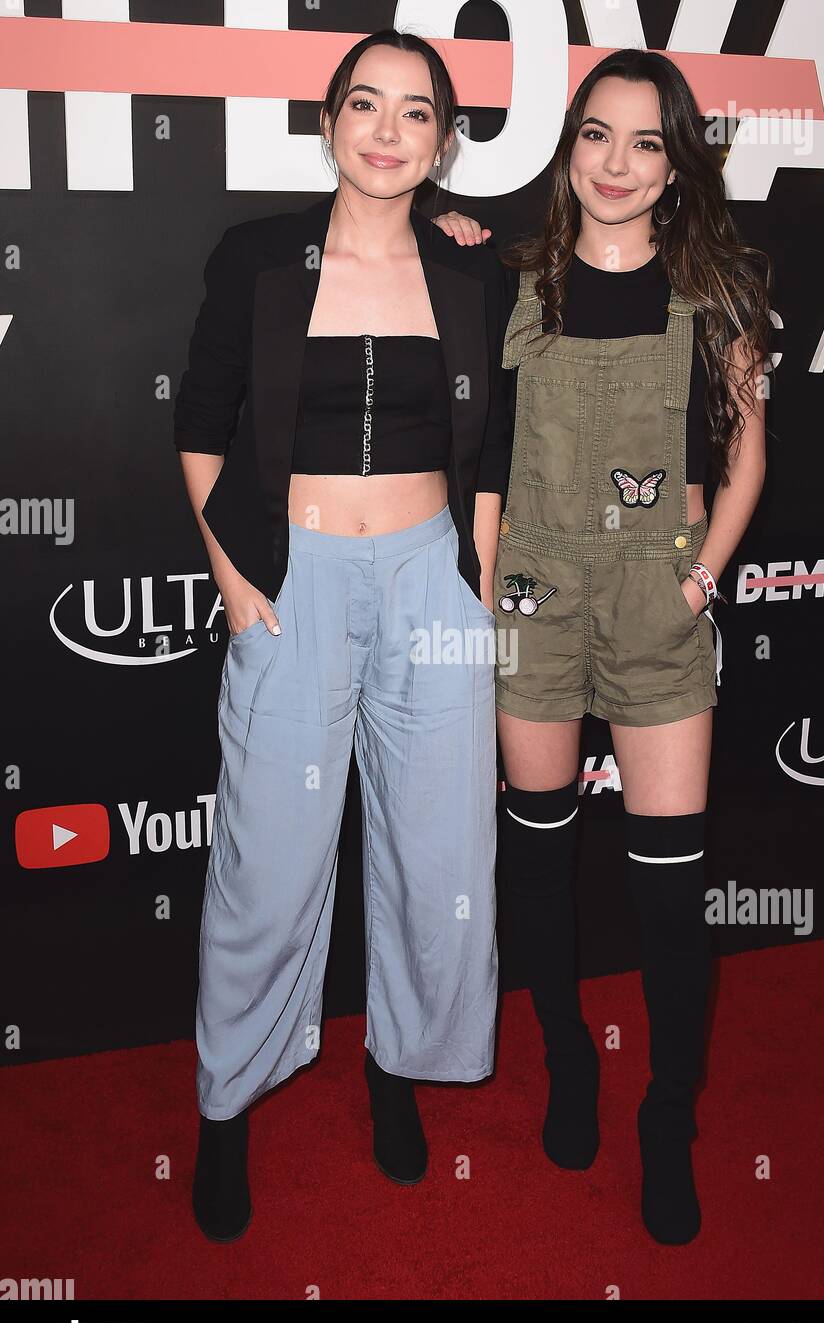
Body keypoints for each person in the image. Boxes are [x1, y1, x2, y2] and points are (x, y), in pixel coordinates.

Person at [173, 29, 514, 1242]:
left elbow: (499, 442)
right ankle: (225, 1105)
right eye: (363, 105)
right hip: (290, 578)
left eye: (414, 113)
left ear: (442, 140)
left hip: (434, 584)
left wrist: (477, 582)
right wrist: (234, 578)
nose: (385, 130)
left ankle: (396, 1063)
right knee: (266, 862)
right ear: (328, 123)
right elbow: (202, 420)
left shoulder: (476, 268)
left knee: (440, 854)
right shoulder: (259, 256)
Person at [433, 47, 771, 1244]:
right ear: (566, 148)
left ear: (675, 165)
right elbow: (484, 447)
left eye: (645, 142)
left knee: (669, 887)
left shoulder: (716, 289)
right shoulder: (511, 285)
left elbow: (745, 458)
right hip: (532, 592)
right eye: (595, 135)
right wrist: (486, 573)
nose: (617, 163)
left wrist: (698, 578)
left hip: (654, 599)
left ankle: (665, 1114)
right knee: (537, 858)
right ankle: (568, 1059)